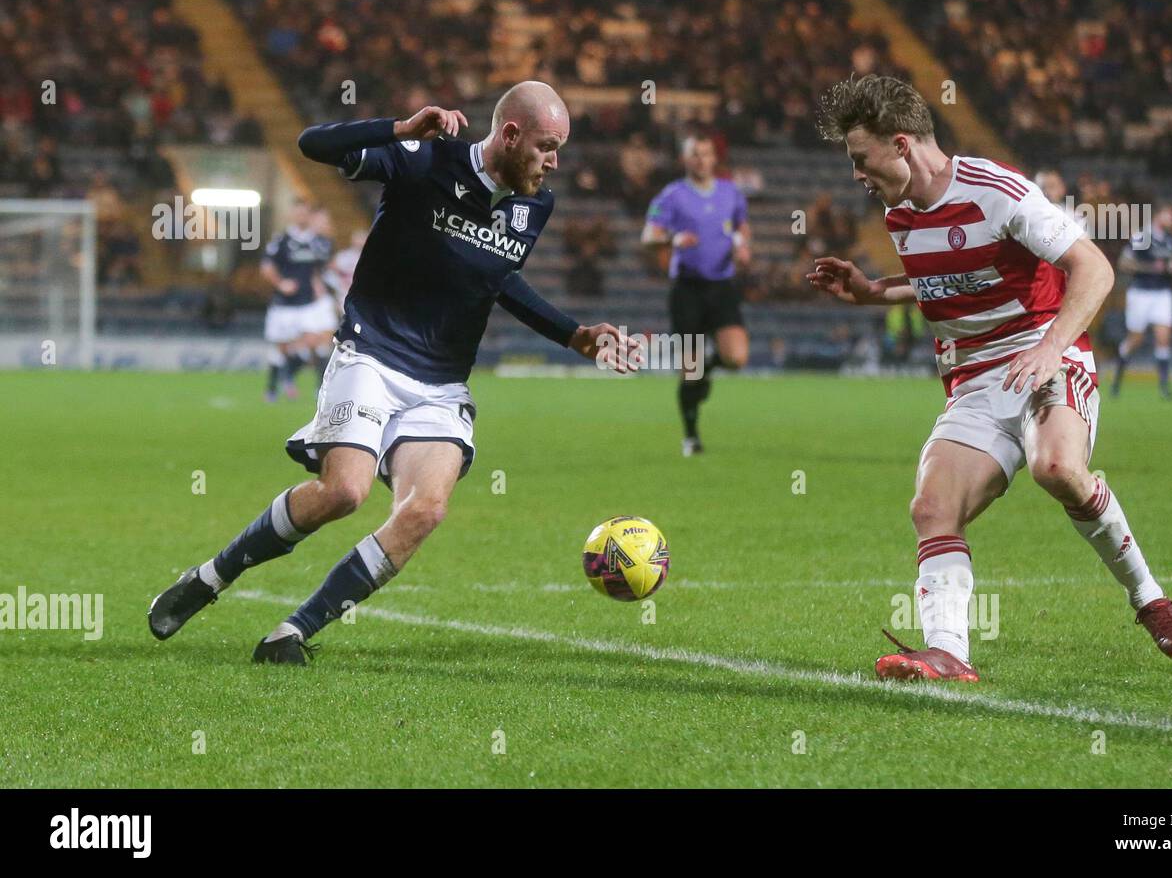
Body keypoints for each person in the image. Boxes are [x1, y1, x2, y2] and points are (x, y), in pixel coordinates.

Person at [148, 81, 635, 665]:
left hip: (441, 382)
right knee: (343, 492)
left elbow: (497, 276)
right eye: (548, 146)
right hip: (372, 354)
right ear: (510, 135)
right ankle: (209, 577)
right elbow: (312, 144)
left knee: (426, 509)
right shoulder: (428, 155)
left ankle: (292, 633)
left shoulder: (536, 205)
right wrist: (398, 129)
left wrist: (572, 334)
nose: (555, 161)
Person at [808, 74, 1172, 682]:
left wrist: (1050, 347)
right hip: (974, 375)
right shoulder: (898, 210)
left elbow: (1093, 268)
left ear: (902, 144)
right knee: (932, 506)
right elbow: (955, 281)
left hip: (1045, 352)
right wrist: (874, 291)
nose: (857, 173)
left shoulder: (998, 191)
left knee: (1058, 469)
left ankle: (1149, 598)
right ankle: (947, 653)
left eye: (862, 157)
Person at [641, 136, 752, 456]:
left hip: (721, 286)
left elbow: (742, 228)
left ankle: (709, 366)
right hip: (687, 289)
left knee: (736, 358)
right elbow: (649, 236)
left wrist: (742, 247)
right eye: (694, 154)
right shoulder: (672, 196)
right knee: (690, 371)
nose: (701, 160)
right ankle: (691, 436)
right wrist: (673, 239)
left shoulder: (731, 192)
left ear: (714, 158)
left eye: (705, 154)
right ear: (685, 159)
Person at [260, 198, 334, 400]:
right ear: (292, 215)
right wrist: (280, 283)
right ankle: (272, 388)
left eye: (304, 213)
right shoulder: (281, 241)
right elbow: (266, 267)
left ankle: (312, 384)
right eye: (298, 212)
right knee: (281, 348)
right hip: (283, 305)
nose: (301, 216)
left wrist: (319, 284)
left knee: (315, 340)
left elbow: (322, 268)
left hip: (308, 304)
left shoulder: (318, 242)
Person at [1113, 203, 1172, 400]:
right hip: (1141, 293)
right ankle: (1117, 380)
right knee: (1135, 339)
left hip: (1162, 293)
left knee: (1163, 337)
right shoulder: (1142, 236)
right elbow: (1124, 263)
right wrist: (1152, 267)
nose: (1171, 220)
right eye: (1168, 215)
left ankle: (1163, 386)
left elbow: (1168, 262)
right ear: (1158, 215)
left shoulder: (1169, 239)